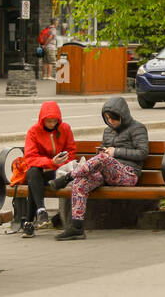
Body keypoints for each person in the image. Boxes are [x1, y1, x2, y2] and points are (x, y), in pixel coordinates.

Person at [52, 96, 147, 241]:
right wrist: (104, 152)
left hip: (128, 174)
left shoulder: (138, 128)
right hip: (107, 173)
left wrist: (114, 152)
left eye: (113, 118)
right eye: (107, 118)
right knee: (81, 182)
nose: (110, 121)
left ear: (123, 115)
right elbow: (103, 156)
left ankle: (68, 177)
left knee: (103, 159)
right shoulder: (107, 131)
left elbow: (142, 153)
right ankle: (76, 228)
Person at [20, 100, 76, 237]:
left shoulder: (65, 129)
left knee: (34, 181)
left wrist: (57, 163)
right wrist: (50, 162)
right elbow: (31, 157)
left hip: (59, 173)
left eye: (54, 121)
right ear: (42, 120)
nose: (52, 124)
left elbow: (71, 151)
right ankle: (40, 211)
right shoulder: (33, 132)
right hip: (41, 171)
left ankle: (30, 221)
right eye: (48, 121)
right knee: (33, 172)